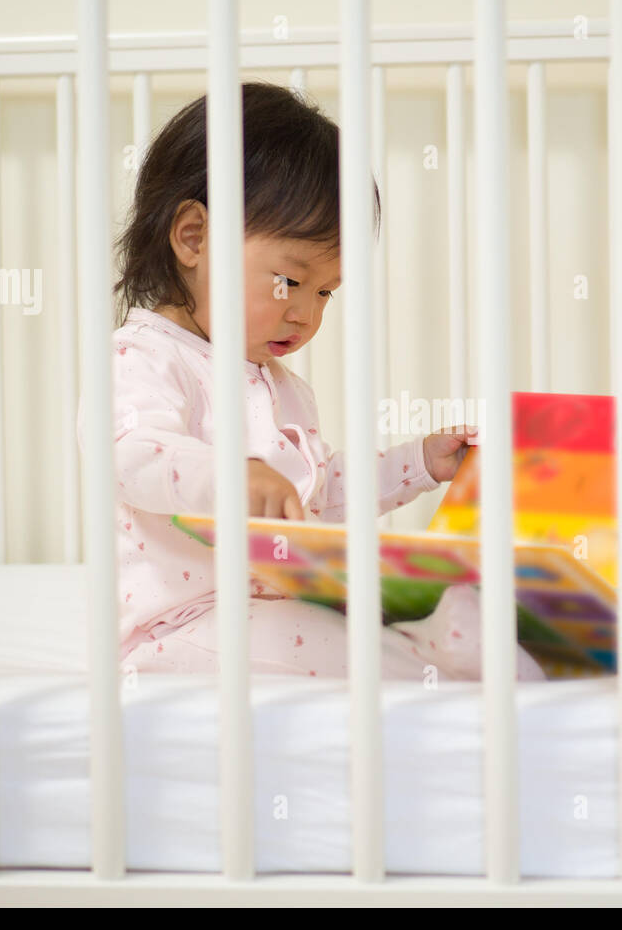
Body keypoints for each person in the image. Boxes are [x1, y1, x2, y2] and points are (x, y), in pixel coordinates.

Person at [81, 82, 544, 681]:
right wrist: (230, 474)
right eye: (289, 282)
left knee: (346, 623)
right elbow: (133, 455)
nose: (307, 313)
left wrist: (420, 463)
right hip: (177, 630)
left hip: (276, 606)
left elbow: (320, 498)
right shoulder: (142, 358)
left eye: (326, 291)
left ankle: (439, 644)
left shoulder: (284, 389)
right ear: (194, 237)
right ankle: (434, 663)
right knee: (327, 648)